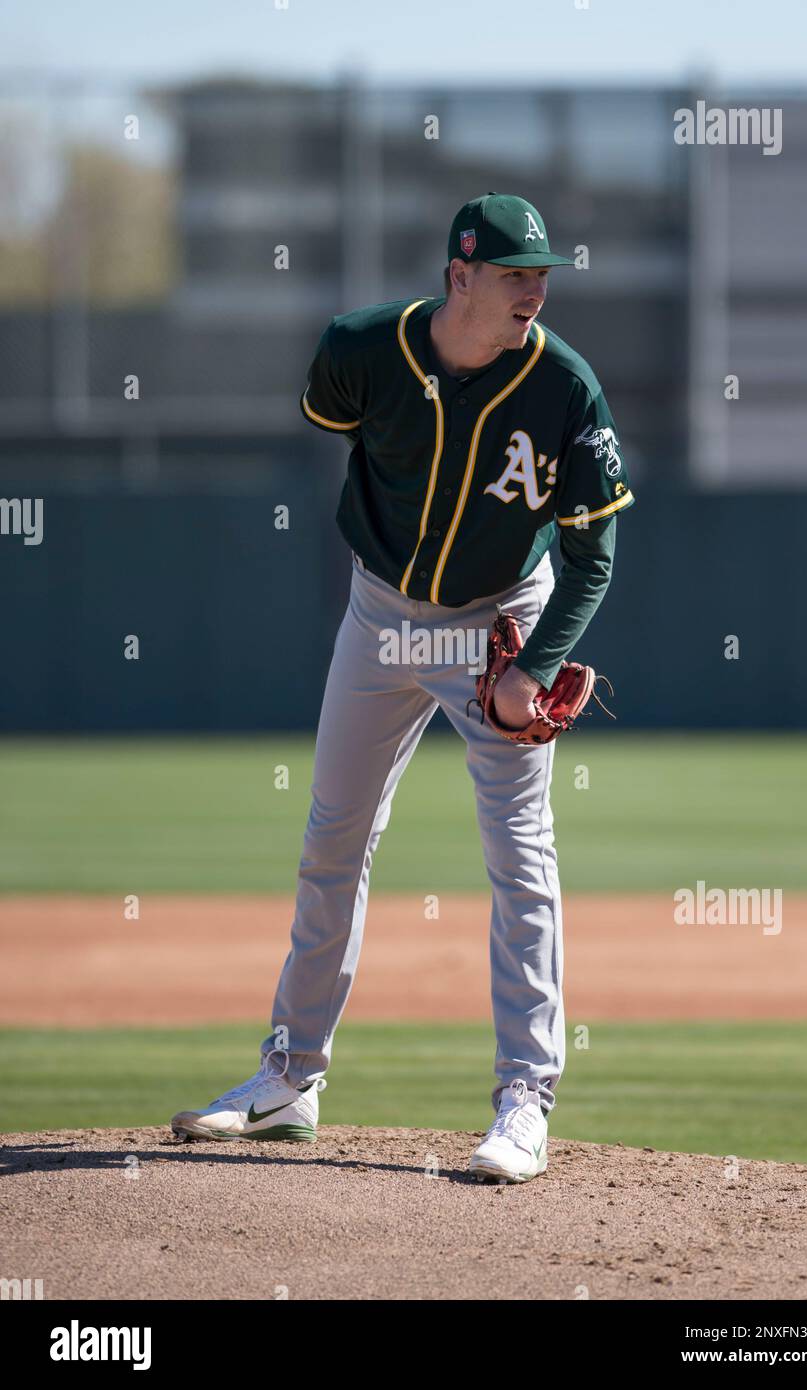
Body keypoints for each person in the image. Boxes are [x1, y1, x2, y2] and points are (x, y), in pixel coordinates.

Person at [171, 192, 635, 1183]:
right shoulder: (359, 351)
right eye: (515, 273)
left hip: (497, 619)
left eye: (542, 273)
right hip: (378, 616)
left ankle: (524, 1100)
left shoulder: (563, 387)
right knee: (331, 837)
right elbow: (336, 427)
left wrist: (531, 670)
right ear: (458, 276)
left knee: (518, 855)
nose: (535, 290)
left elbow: (592, 553)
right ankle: (288, 1078)